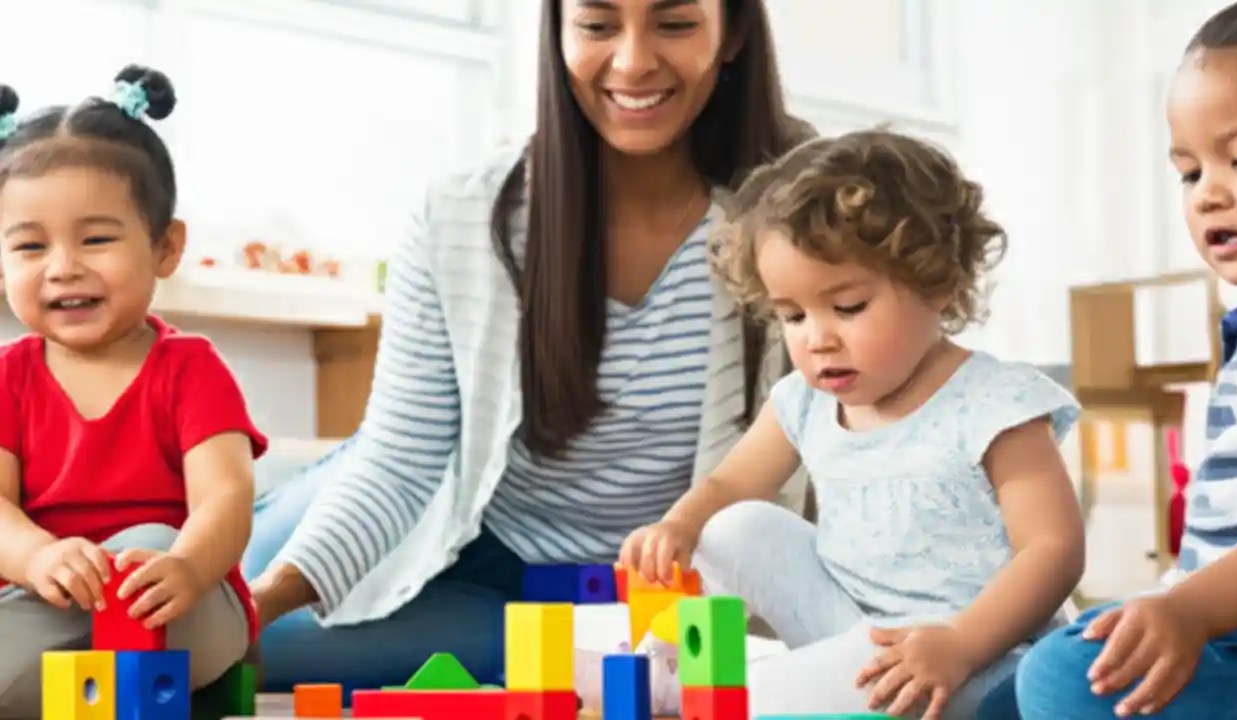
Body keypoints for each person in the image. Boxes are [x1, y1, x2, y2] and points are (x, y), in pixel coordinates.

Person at [245, 0, 813, 691]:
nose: (633, 62)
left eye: (674, 24)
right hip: (450, 526)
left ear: (733, 35)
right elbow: (400, 462)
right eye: (598, 25)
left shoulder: (804, 217)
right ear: (557, 32)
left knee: (280, 658)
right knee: (206, 623)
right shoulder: (463, 214)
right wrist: (258, 604)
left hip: (588, 602)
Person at [620, 129, 1086, 719]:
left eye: (847, 308)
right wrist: (678, 526)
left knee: (748, 704)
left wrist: (963, 646)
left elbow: (1055, 549)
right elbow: (730, 486)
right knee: (731, 527)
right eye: (792, 315)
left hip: (973, 659)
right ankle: (660, 671)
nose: (817, 339)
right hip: (854, 635)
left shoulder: (994, 403)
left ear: (938, 283)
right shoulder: (804, 401)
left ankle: (720, 698)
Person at [1014, 1, 1237, 717]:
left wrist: (1190, 612)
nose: (1209, 193)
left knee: (1061, 678)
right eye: (1189, 173)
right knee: (1049, 665)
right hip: (1236, 630)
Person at [0, 66, 267, 718]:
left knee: (144, 538)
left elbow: (226, 498)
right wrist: (39, 557)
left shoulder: (190, 368)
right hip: (49, 606)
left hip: (181, 603)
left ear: (165, 247)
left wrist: (187, 567)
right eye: (30, 246)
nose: (63, 266)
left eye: (96, 239)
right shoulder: (9, 375)